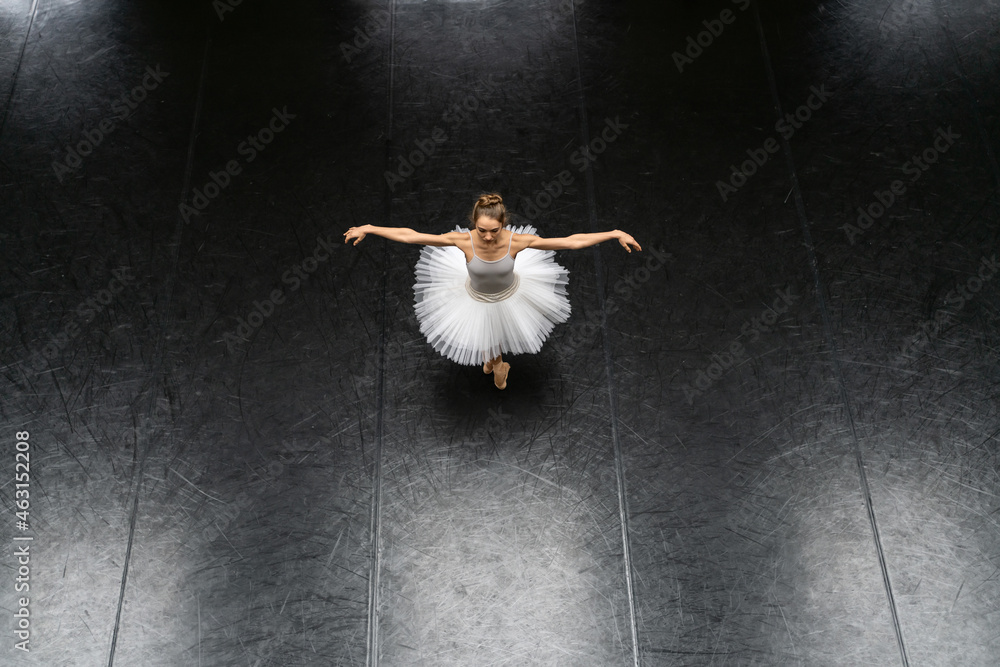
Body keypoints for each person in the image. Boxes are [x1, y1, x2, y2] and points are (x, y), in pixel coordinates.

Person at [344, 193, 641, 389]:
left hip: (509, 297)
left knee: (492, 335)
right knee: (488, 335)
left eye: (493, 230)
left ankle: (498, 365)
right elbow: (411, 236)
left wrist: (614, 233)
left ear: (504, 224)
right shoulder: (462, 241)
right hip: (474, 296)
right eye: (481, 229)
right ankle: (497, 362)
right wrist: (369, 227)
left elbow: (571, 241)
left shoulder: (517, 242)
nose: (487, 236)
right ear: (474, 224)